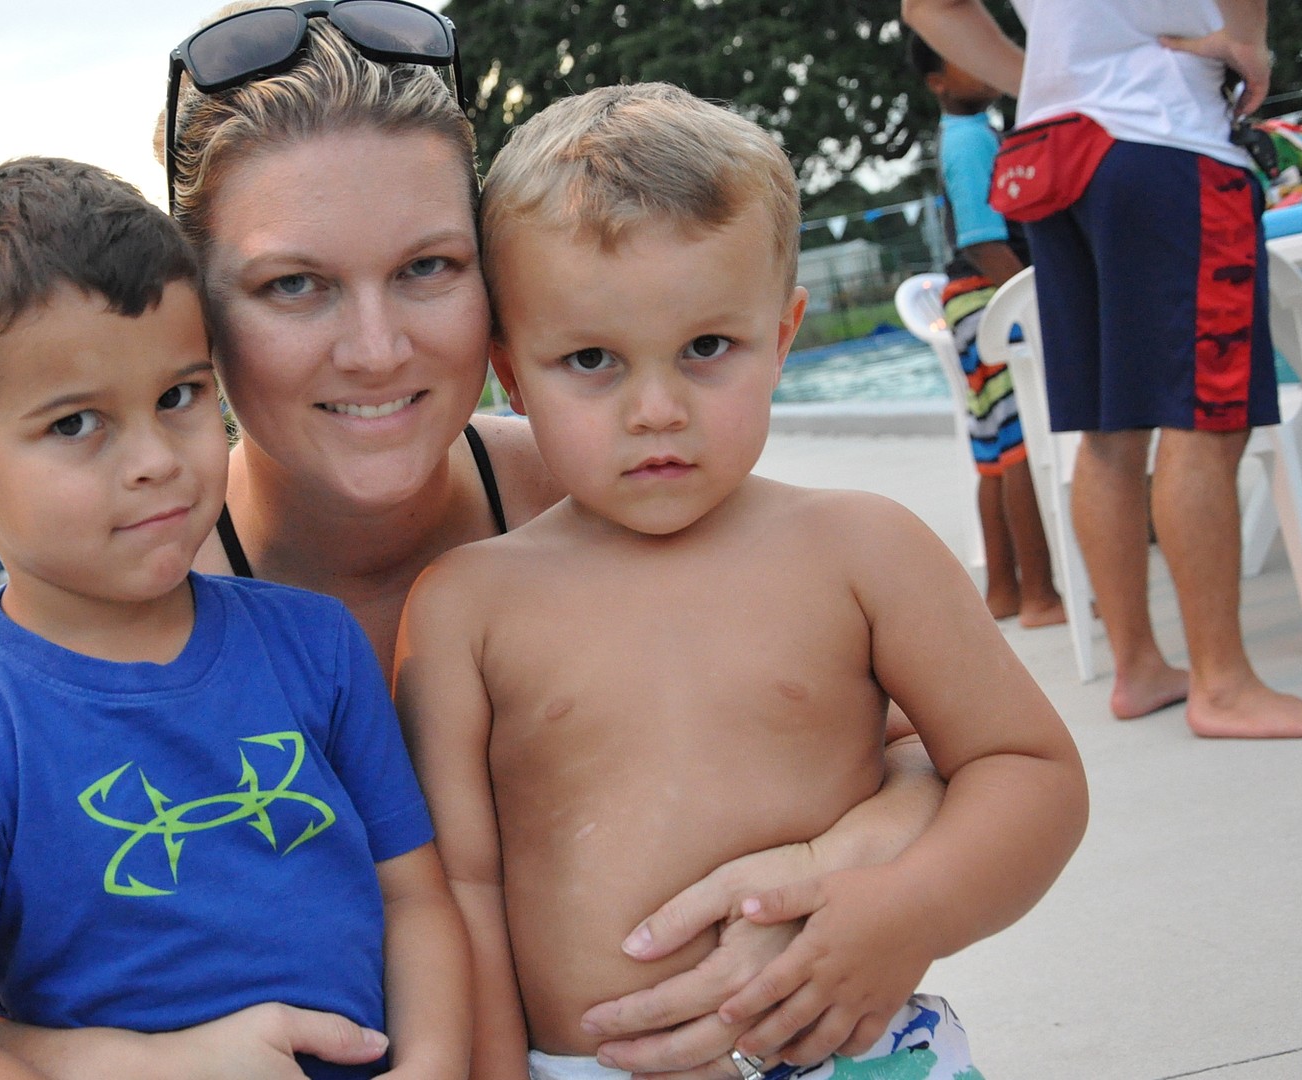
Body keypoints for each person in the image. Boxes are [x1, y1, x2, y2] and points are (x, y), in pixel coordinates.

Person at [0, 5, 951, 1077]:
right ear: (196, 317)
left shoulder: (604, 491)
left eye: (427, 267)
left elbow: (911, 743)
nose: (376, 347)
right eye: (292, 285)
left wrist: (857, 883)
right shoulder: (118, 606)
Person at [393, 82, 1089, 1080]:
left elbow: (1031, 774)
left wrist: (905, 908)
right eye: (591, 359)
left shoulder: (863, 550)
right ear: (510, 370)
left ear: (783, 336)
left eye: (707, 348)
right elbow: (463, 886)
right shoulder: (466, 606)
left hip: (859, 1046)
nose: (657, 408)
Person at [0, 157, 469, 1080]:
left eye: (178, 396)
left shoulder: (313, 647)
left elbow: (413, 900)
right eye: (77, 424)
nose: (155, 460)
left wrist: (432, 1068)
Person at [903, 0, 1302, 739]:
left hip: (1051, 146)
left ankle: (1139, 668)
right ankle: (1223, 686)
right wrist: (1246, 40)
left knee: (1108, 424)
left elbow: (929, 6)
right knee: (1208, 414)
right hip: (1162, 133)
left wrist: (1037, 78)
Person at [909, 31, 1065, 629]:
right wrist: (1038, 300)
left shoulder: (964, 135)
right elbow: (982, 241)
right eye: (963, 55)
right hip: (989, 300)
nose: (984, 59)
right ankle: (1042, 594)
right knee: (1022, 443)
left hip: (970, 303)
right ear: (938, 83)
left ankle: (1004, 589)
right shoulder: (973, 139)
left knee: (996, 450)